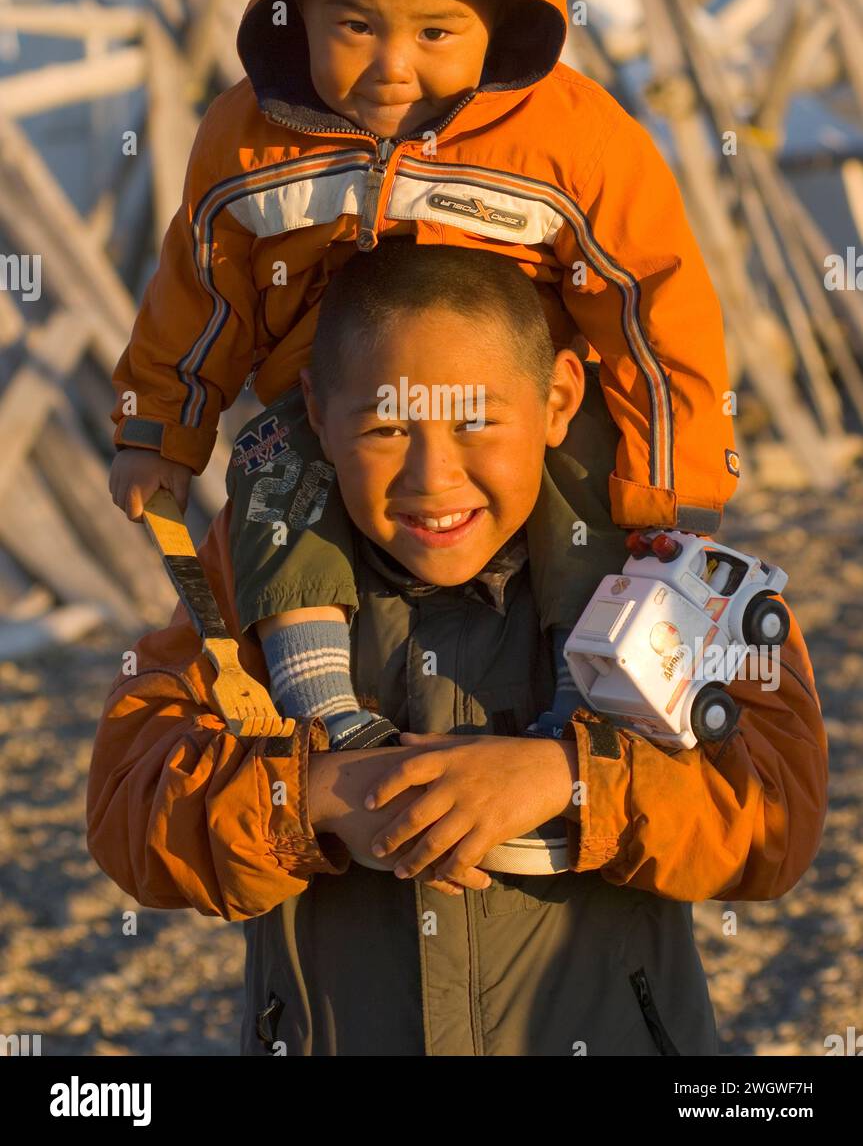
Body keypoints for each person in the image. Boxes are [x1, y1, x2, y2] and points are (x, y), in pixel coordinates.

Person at [108, 0, 740, 750]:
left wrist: (674, 477)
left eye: (435, 32)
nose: (391, 67)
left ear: (500, 22)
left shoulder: (570, 142)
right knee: (275, 478)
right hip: (336, 392)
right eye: (353, 25)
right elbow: (202, 296)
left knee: (582, 485)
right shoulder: (248, 142)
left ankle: (586, 700)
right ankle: (322, 700)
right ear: (298, 16)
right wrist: (161, 428)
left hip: (517, 388)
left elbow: (650, 303)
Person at [88, 240, 828, 1057]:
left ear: (556, 400)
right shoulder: (258, 570)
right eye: (386, 426)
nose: (432, 478)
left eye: (475, 420)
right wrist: (316, 797)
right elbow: (128, 803)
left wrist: (570, 779)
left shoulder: (653, 567)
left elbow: (773, 809)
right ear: (317, 415)